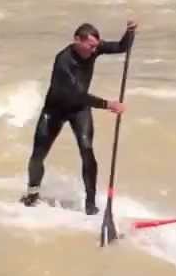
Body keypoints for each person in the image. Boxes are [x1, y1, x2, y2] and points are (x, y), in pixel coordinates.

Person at [21, 20, 137, 214]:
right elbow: (76, 93)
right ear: (77, 40)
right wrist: (108, 104)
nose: (94, 51)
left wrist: (130, 31)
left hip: (79, 110)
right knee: (38, 155)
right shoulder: (63, 61)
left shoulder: (94, 48)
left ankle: (91, 204)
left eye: (96, 46)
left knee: (87, 150)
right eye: (90, 46)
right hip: (55, 110)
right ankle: (32, 194)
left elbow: (121, 47)